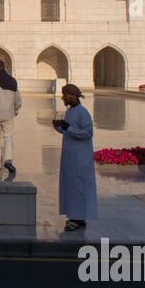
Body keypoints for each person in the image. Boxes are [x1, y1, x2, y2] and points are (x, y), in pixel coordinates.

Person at [53, 84, 97, 232]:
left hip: (80, 157)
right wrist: (59, 127)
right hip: (70, 155)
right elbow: (68, 131)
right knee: (71, 186)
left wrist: (68, 128)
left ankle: (77, 218)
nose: (63, 98)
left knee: (78, 186)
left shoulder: (82, 112)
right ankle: (75, 216)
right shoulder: (69, 111)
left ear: (72, 96)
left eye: (65, 95)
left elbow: (87, 133)